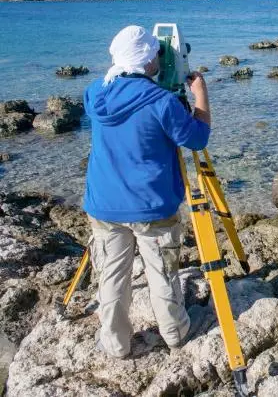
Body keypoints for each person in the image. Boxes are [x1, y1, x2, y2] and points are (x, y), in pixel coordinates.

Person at [83, 25, 211, 358]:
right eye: (155, 52)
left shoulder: (95, 93)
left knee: (111, 278)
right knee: (162, 274)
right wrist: (200, 94)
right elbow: (197, 138)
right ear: (146, 59)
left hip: (104, 206)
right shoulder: (162, 102)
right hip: (151, 207)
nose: (159, 56)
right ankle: (176, 333)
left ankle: (115, 343)